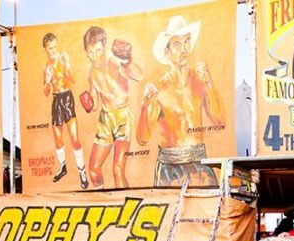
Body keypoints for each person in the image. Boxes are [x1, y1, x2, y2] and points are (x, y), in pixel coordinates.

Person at [137, 15, 226, 187]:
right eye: (177, 44)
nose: (184, 48)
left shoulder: (199, 80)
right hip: (169, 168)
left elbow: (220, 119)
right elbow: (142, 138)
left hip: (199, 162)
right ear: (167, 51)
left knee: (209, 210)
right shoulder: (159, 89)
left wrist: (209, 82)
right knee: (170, 213)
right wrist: (144, 105)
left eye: (187, 41)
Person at [81, 25, 143, 189]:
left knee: (117, 169)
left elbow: (139, 75)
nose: (94, 57)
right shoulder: (90, 70)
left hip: (122, 117)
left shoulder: (114, 62)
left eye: (98, 51)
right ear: (86, 52)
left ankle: (127, 211)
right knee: (93, 170)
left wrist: (128, 60)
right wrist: (88, 102)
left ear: (104, 46)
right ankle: (101, 205)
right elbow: (94, 104)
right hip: (105, 118)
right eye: (90, 52)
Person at [42, 33, 88, 189]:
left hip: (67, 98)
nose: (53, 50)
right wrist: (48, 80)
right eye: (50, 48)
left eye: (55, 47)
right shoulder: (46, 67)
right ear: (46, 50)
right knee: (57, 138)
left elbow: (73, 79)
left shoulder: (62, 60)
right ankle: (63, 166)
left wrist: (68, 65)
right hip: (56, 100)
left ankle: (82, 171)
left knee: (74, 138)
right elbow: (46, 92)